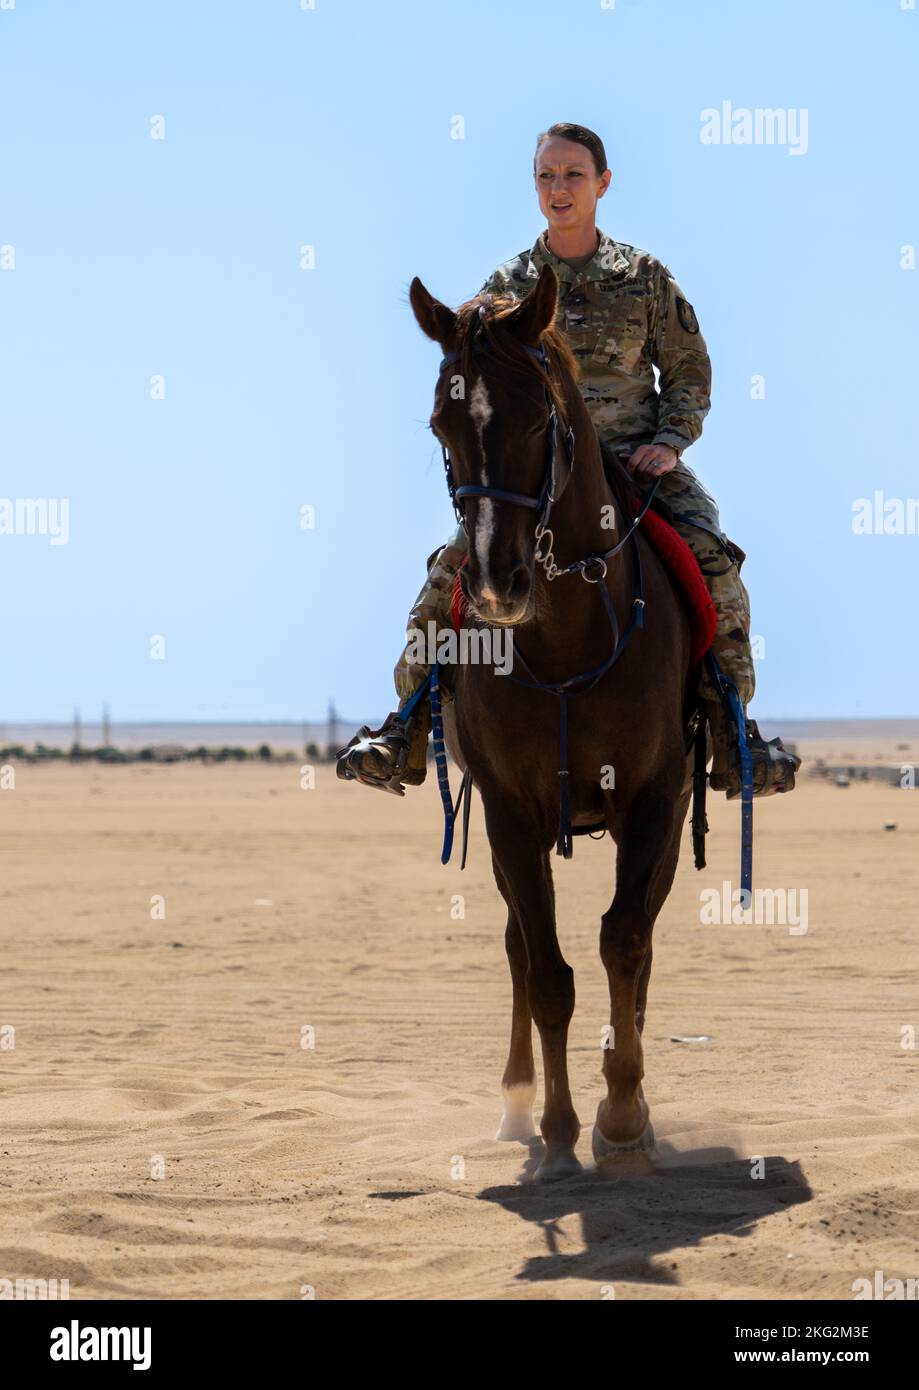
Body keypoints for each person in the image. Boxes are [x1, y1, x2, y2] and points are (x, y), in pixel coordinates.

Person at [338, 122, 799, 799]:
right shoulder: (508, 283)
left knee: (712, 563)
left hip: (635, 466)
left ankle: (734, 734)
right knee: (446, 580)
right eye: (547, 176)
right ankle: (404, 730)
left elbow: (688, 370)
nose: (559, 188)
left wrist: (668, 444)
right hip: (533, 476)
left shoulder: (643, 278)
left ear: (601, 184)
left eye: (573, 175)